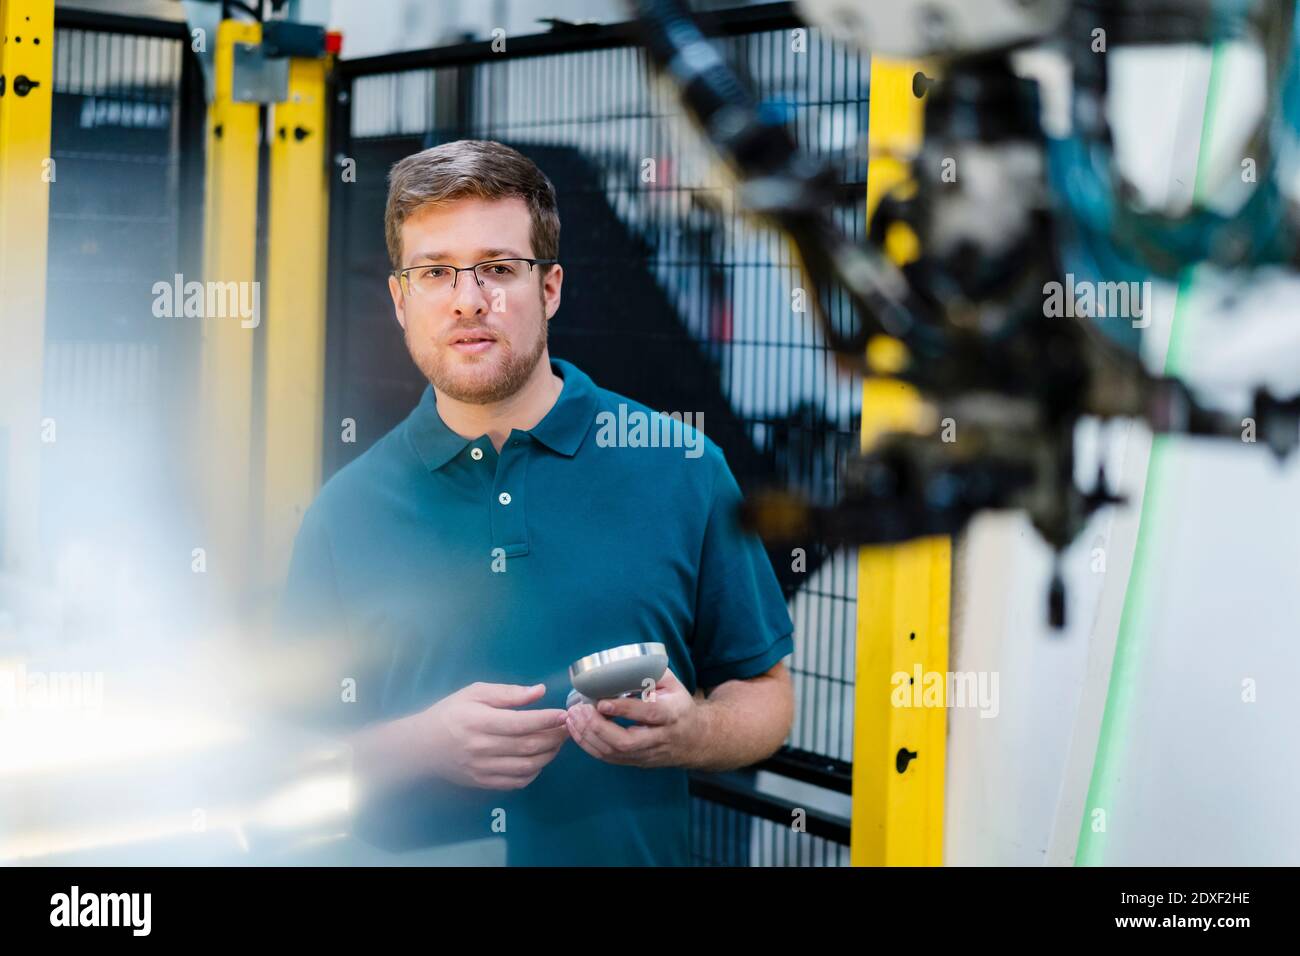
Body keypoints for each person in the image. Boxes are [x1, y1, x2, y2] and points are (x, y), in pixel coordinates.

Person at [276, 138, 794, 865]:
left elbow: (766, 696)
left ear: (549, 288)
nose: (467, 298)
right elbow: (282, 764)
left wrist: (691, 732)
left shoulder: (683, 470)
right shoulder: (343, 513)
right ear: (400, 299)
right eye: (434, 273)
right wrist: (416, 747)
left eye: (498, 268)